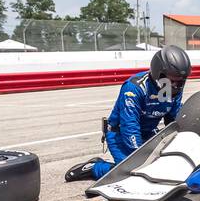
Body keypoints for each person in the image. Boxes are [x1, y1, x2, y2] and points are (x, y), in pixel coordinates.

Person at [64, 45, 191, 182]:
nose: (176, 84)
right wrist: (139, 155)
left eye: (180, 80)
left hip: (149, 132)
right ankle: (94, 167)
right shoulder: (134, 88)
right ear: (158, 72)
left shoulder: (173, 88)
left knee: (166, 167)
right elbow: (129, 125)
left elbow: (173, 118)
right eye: (172, 79)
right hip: (120, 133)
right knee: (132, 175)